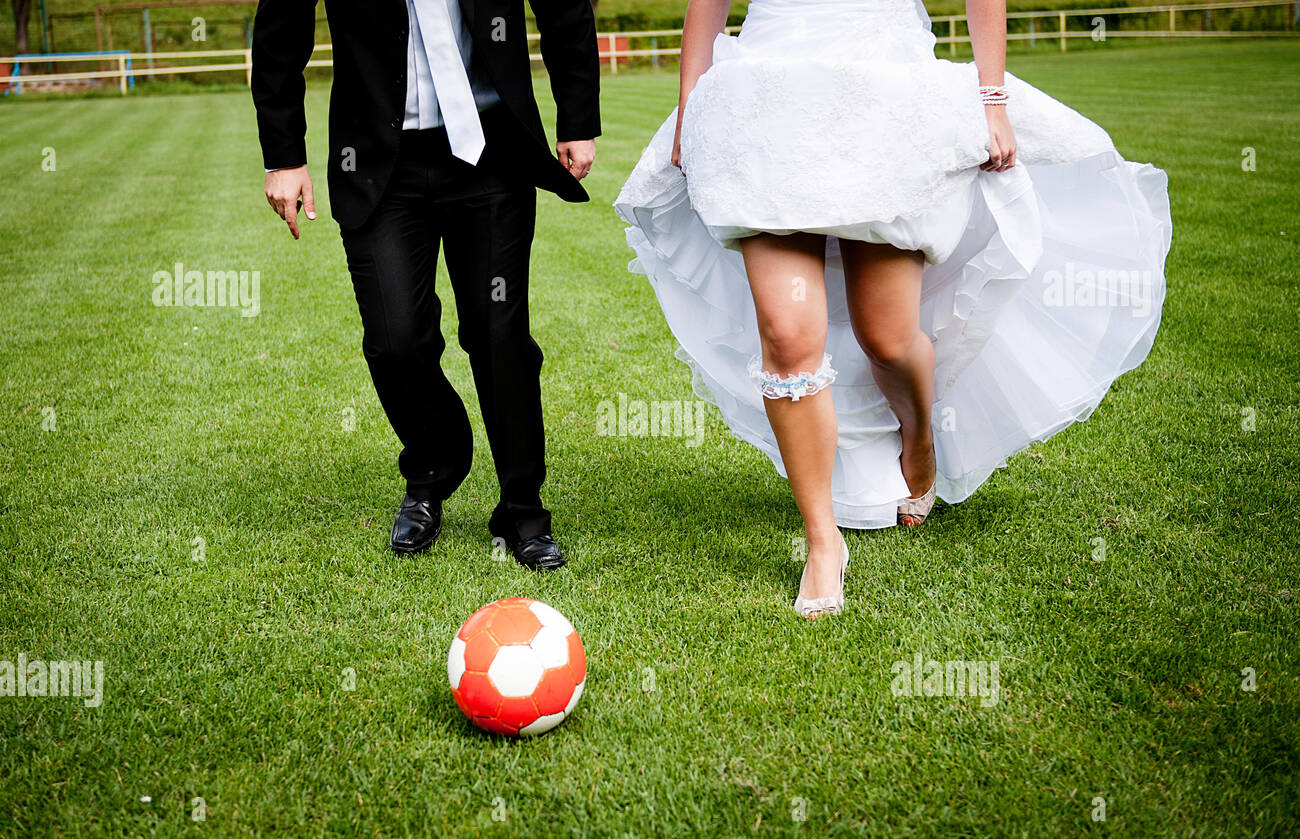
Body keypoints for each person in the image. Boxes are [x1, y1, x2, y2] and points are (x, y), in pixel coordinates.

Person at [615, 0, 1171, 616]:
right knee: (786, 332)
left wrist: (992, 99)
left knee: (887, 335)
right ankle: (822, 542)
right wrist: (692, 99)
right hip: (765, 105)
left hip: (885, 100)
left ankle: (921, 437)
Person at [253, 0, 600, 569]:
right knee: (396, 339)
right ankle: (435, 464)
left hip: (491, 154)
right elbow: (278, 33)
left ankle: (523, 510)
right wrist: (284, 156)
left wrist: (578, 118)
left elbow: (564, 6)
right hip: (375, 161)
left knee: (500, 336)